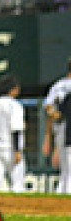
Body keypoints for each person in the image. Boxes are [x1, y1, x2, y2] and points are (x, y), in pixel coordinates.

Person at [0, 75, 26, 192]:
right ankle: (19, 207)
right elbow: (16, 128)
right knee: (18, 182)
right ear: (12, 89)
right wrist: (17, 150)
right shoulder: (15, 105)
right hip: (10, 147)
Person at [43, 59, 71, 194]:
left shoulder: (58, 85)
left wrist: (48, 136)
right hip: (66, 127)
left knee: (65, 169)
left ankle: (62, 192)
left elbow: (49, 108)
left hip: (60, 128)